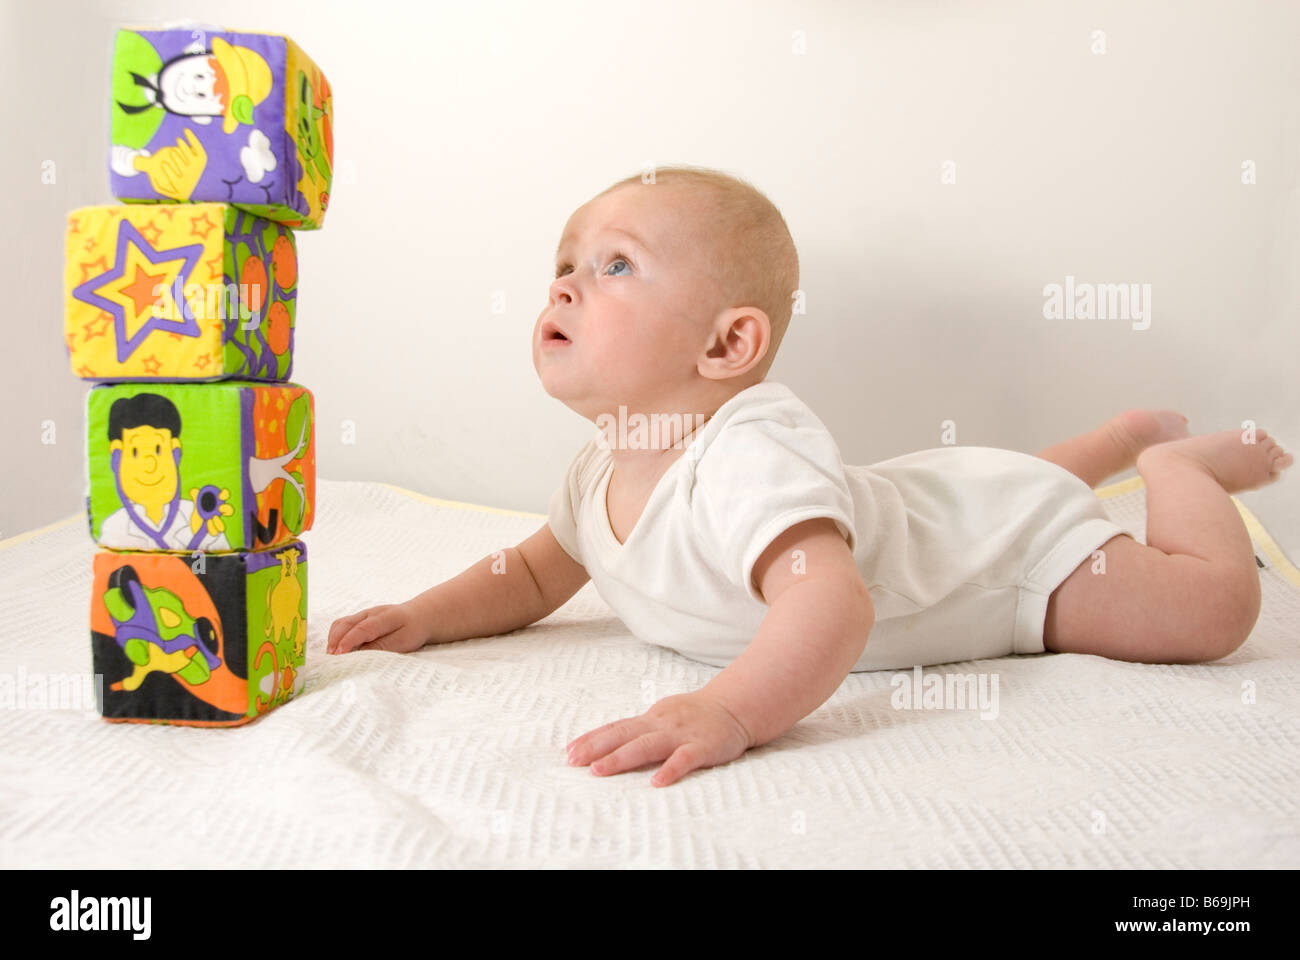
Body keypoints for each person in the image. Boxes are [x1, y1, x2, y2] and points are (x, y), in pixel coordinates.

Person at [327, 166, 1292, 788]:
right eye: (566, 264)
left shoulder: (748, 448)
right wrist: (425, 615)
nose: (565, 285)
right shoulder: (601, 465)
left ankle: (1174, 468)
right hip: (953, 495)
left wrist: (734, 709)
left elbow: (831, 602)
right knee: (976, 486)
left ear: (727, 343)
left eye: (616, 266)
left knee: (1205, 615)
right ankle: (1104, 445)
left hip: (1014, 555)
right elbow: (532, 575)